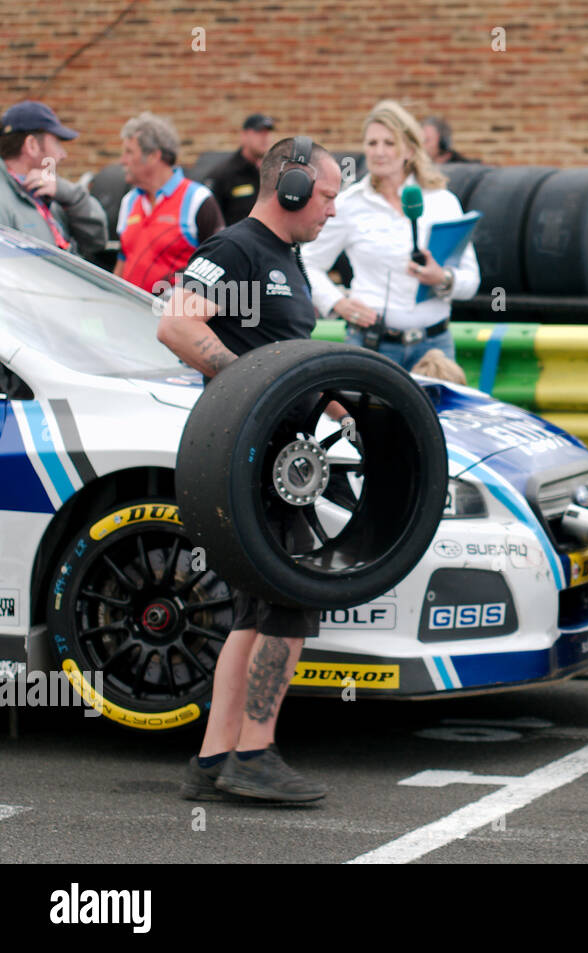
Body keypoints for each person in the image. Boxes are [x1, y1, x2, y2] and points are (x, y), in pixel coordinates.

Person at [157, 136, 343, 802]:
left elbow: (279, 350)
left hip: (279, 460)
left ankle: (213, 760)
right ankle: (254, 752)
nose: (330, 211)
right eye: (324, 196)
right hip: (252, 460)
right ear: (289, 188)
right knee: (287, 604)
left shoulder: (287, 259)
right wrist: (252, 388)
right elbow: (176, 325)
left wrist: (333, 395)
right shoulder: (235, 249)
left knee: (252, 610)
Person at [302, 100, 479, 370]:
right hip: (372, 344)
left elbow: (472, 280)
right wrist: (338, 303)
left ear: (408, 149)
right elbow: (306, 262)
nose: (379, 152)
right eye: (372, 143)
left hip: (435, 348)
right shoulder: (350, 204)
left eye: (389, 143)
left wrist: (441, 278)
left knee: (437, 414)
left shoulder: (443, 202)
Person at [115, 112, 224, 294]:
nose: (122, 160)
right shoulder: (129, 201)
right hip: (129, 316)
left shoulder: (198, 199)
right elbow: (122, 262)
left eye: (129, 152)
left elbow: (219, 268)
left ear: (153, 156)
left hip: (173, 318)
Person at [0, 100, 107, 259]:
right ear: (32, 145)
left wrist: (69, 195)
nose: (63, 154)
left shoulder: (50, 192)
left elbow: (96, 240)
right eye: (57, 143)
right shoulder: (4, 200)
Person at [206, 113, 276, 224]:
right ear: (244, 135)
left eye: (268, 132)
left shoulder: (273, 172)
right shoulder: (224, 174)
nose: (265, 137)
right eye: (259, 132)